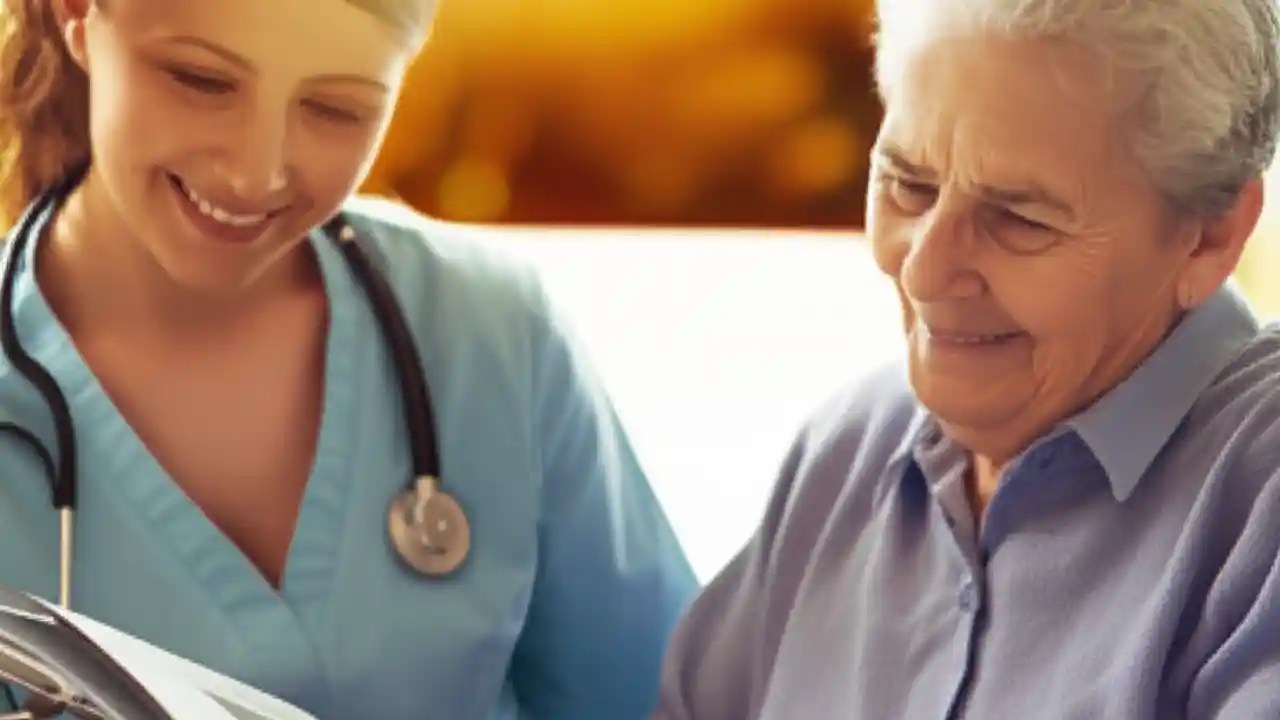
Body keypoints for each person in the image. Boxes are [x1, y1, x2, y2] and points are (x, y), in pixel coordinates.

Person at [0, 0, 698, 717]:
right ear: (77, 13)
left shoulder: (489, 332)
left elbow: (662, 699)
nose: (254, 172)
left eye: (335, 109)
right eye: (201, 80)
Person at [654, 1, 1280, 718]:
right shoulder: (849, 450)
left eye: (1021, 217)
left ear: (1210, 235)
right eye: (908, 186)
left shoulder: (1259, 503)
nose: (923, 271)